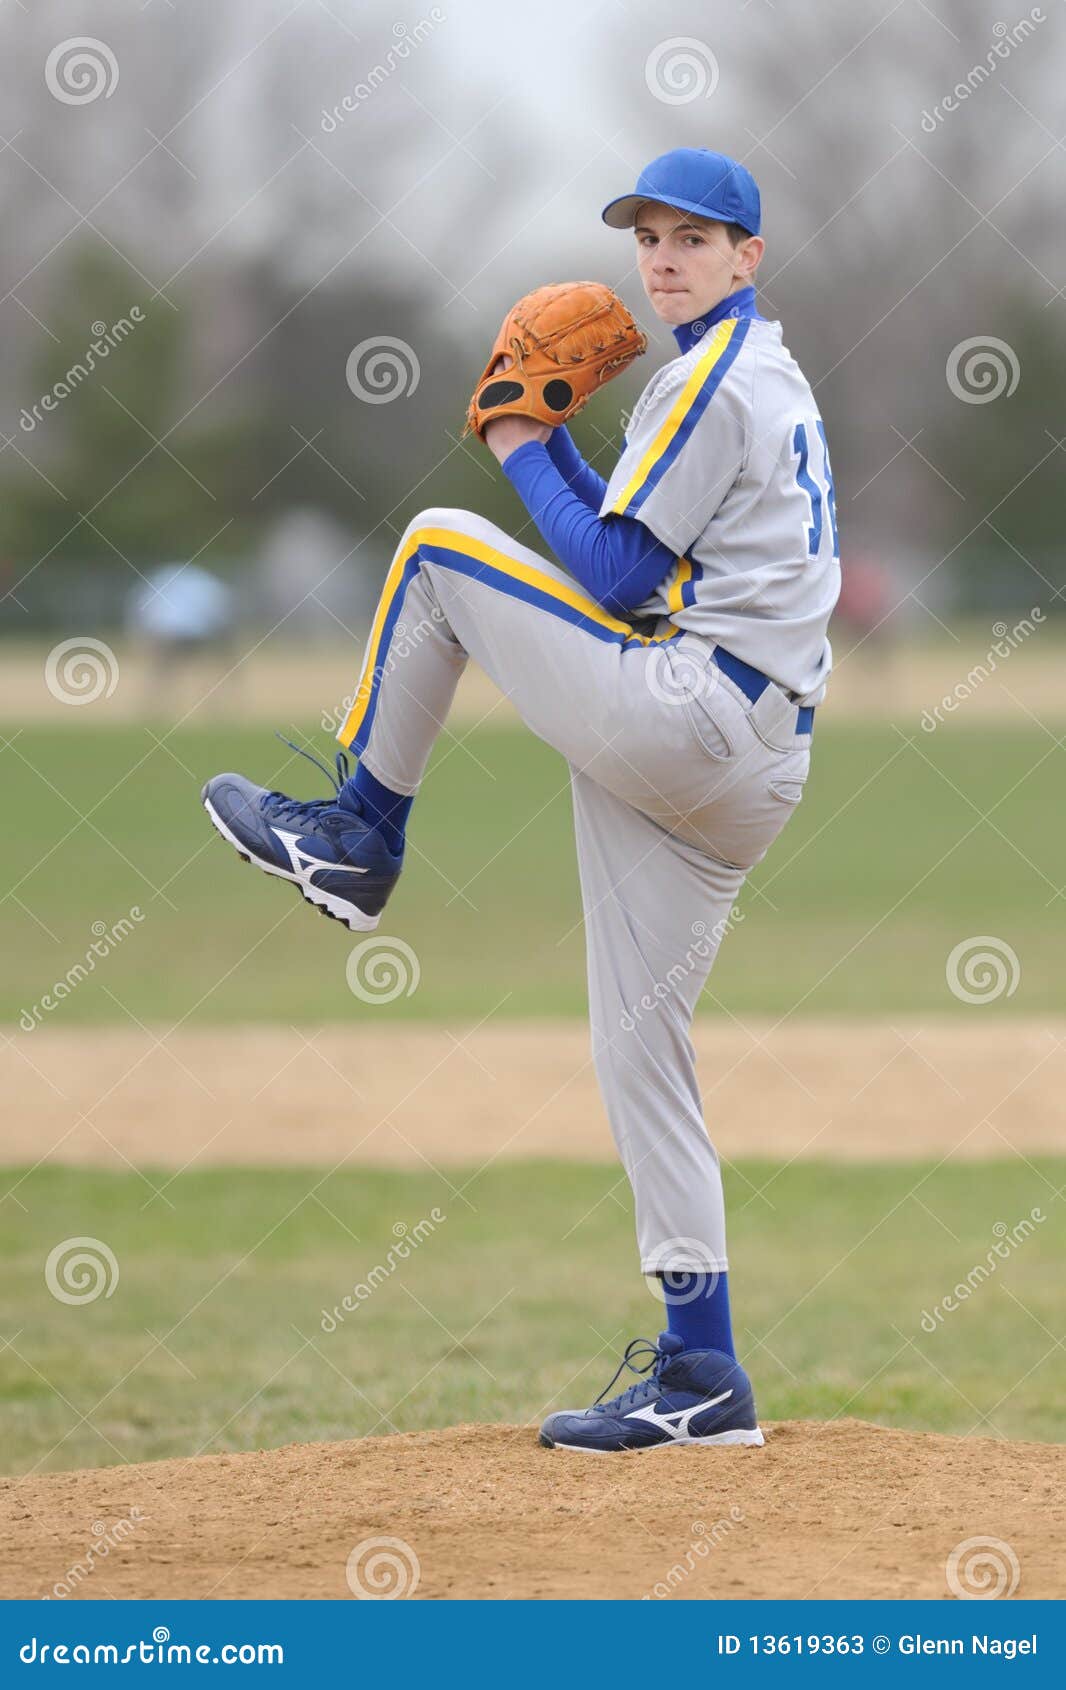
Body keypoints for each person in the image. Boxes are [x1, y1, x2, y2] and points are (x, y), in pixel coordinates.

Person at [202, 147, 841, 1453]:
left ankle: (358, 832)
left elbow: (608, 571)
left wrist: (517, 432)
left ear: (746, 258)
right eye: (648, 235)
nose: (662, 257)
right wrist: (555, 454)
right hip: (749, 759)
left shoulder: (710, 376)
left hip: (694, 716)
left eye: (694, 238)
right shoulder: (762, 376)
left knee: (438, 546)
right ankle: (702, 1372)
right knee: (638, 1052)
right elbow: (639, 554)